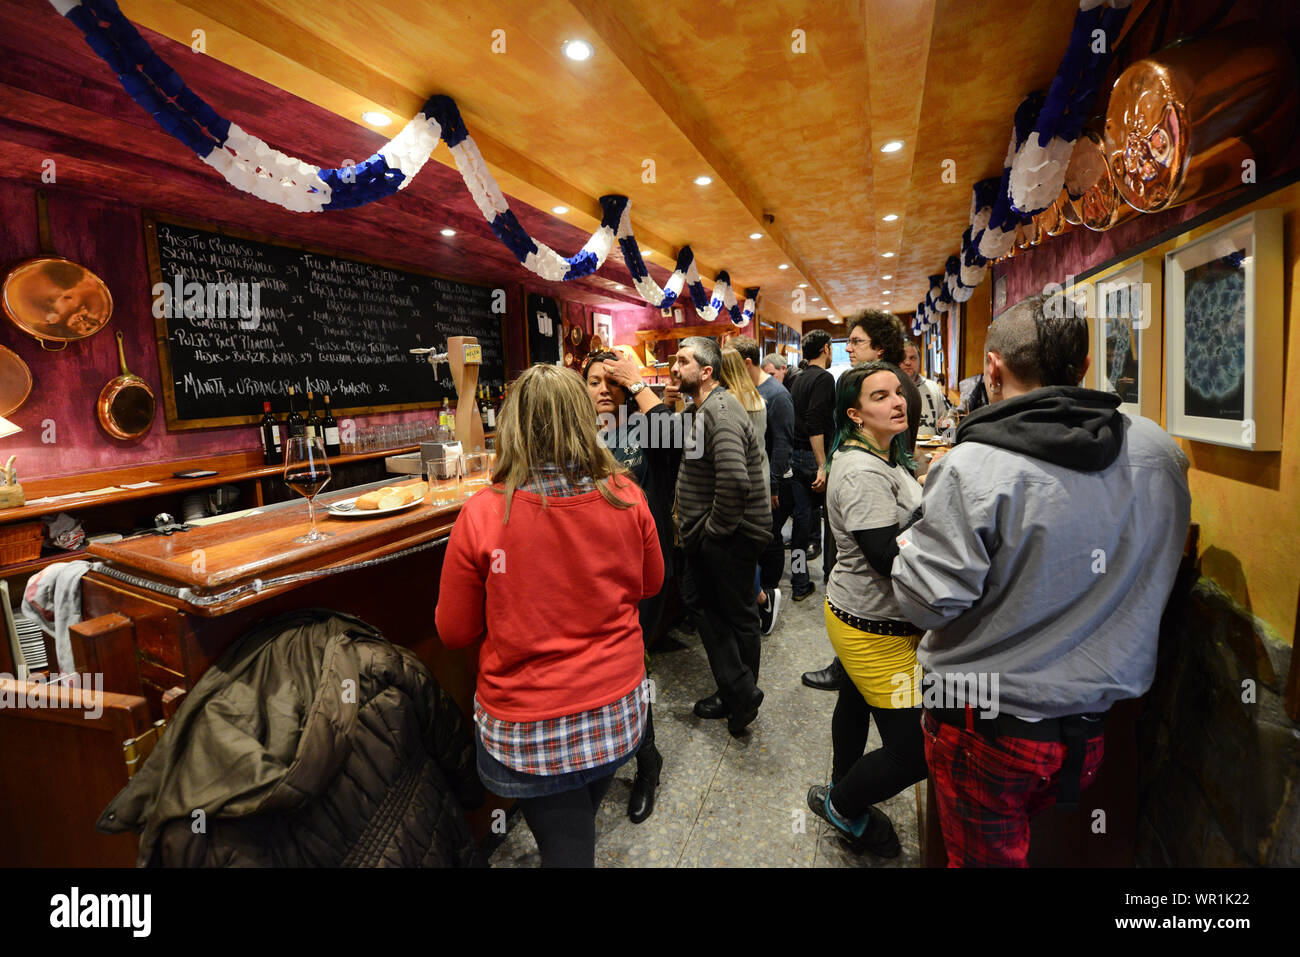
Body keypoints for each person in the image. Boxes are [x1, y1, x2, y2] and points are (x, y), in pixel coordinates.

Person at [891, 292, 1191, 867]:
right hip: (1096, 723)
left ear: (993, 368)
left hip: (987, 723)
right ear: (1082, 367)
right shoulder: (1158, 451)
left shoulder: (973, 465)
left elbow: (929, 603)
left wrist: (909, 546)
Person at [435, 364, 664, 867]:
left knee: (566, 847)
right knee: (578, 822)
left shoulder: (482, 512)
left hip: (528, 727)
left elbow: (453, 632)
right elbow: (651, 585)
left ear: (512, 426)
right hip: (617, 712)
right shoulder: (627, 495)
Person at [805, 362, 928, 858]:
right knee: (914, 752)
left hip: (866, 613)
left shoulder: (885, 454)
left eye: (898, 392)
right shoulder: (860, 471)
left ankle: (843, 784)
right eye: (881, 397)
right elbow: (886, 559)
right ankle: (841, 802)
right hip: (872, 625)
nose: (898, 401)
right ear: (855, 414)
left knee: (854, 701)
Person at [583, 349, 681, 825]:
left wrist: (639, 384)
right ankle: (600, 754)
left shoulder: (643, 430)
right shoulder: (578, 436)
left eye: (612, 382)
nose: (603, 389)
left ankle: (647, 759)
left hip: (641, 571)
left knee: (634, 667)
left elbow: (680, 442)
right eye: (594, 381)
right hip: (588, 574)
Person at [673, 337, 772, 735]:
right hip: (725, 534)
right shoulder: (706, 407)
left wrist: (714, 532)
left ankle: (741, 695)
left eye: (683, 361)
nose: (674, 368)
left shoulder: (720, 409)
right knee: (723, 612)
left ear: (707, 370)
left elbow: (734, 479)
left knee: (730, 615)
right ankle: (738, 693)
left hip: (728, 535)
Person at [733, 336, 794, 636]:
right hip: (752, 481)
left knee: (769, 539)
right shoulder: (745, 392)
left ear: (746, 363)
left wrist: (772, 486)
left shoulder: (776, 394)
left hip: (769, 481)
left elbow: (782, 445)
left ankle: (769, 594)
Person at [788, 329, 834, 607]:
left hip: (794, 456)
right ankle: (833, 579)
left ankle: (799, 583)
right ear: (827, 348)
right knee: (833, 522)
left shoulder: (796, 377)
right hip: (813, 457)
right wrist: (822, 465)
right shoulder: (824, 378)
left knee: (801, 527)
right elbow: (816, 422)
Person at [900, 339, 951, 432]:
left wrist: (947, 426)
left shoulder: (934, 388)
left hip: (931, 446)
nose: (907, 362)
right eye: (902, 358)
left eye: (913, 358)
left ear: (920, 360)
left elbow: (948, 425)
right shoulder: (889, 389)